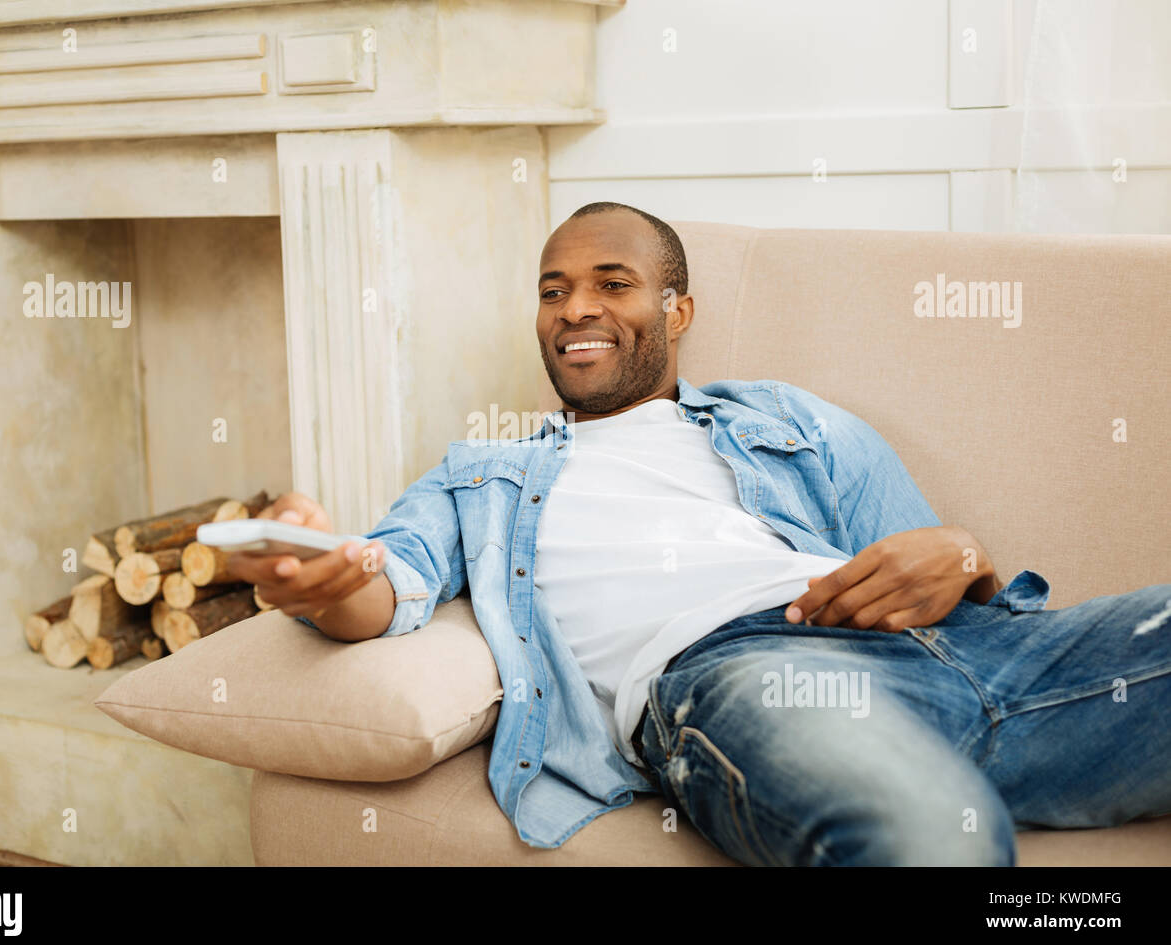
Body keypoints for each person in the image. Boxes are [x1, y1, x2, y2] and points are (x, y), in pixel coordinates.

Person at [228, 202, 1171, 866]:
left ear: (677, 313)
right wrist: (321, 580)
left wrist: (963, 547)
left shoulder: (788, 418)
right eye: (554, 291)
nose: (576, 308)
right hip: (741, 677)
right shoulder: (485, 472)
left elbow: (931, 568)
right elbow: (386, 585)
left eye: (612, 283)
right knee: (930, 834)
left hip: (986, 654)